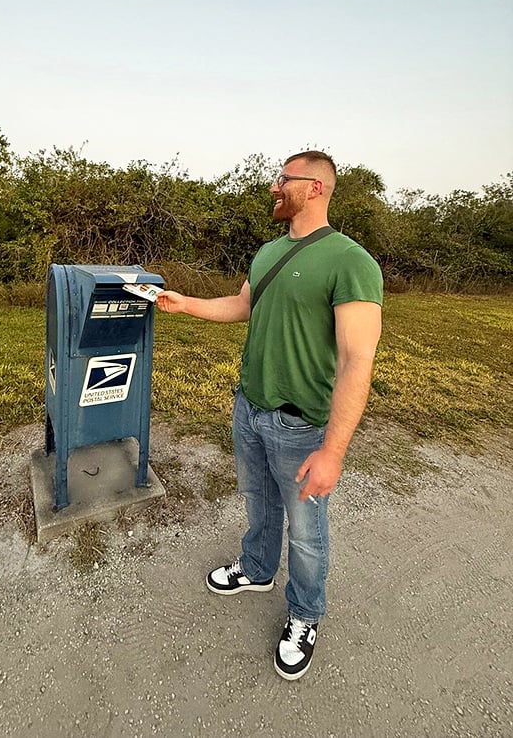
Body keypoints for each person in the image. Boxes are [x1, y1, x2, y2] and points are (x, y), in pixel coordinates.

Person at [156, 150, 383, 681]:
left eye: (285, 179)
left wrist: (333, 451)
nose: (275, 187)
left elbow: (356, 361)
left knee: (306, 530)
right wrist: (183, 303)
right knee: (257, 501)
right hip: (250, 407)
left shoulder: (351, 262)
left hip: (301, 424)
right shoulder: (267, 252)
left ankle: (305, 614)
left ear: (317, 188)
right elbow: (244, 306)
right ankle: (257, 569)